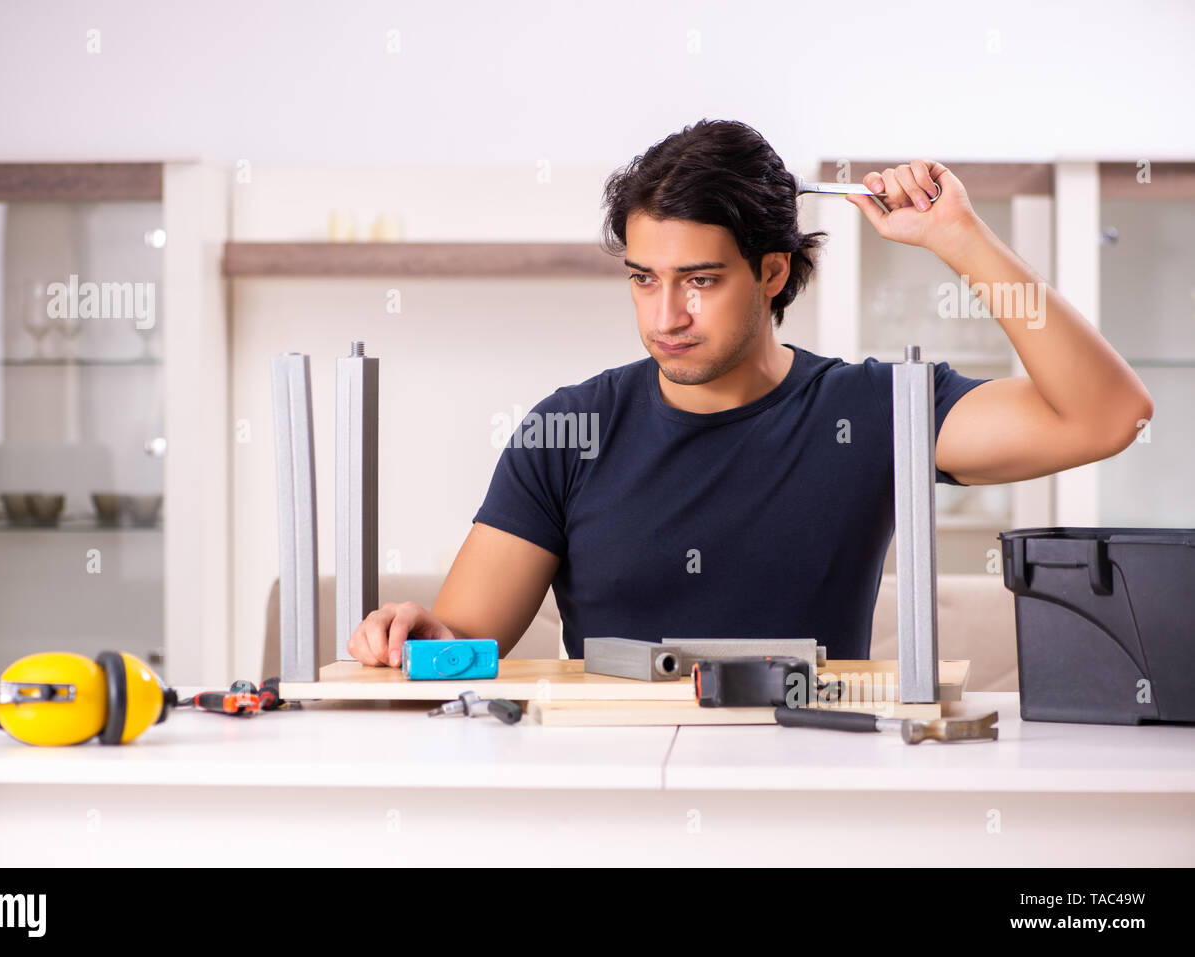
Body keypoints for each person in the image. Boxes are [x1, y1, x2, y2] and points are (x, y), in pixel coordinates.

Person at [347, 118, 1154, 667]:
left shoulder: (877, 412)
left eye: (699, 281)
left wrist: (961, 239)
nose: (666, 315)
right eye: (643, 280)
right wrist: (417, 633)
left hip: (810, 795)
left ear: (772, 271)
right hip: (614, 797)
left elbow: (1108, 414)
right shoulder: (568, 429)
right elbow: (463, 642)